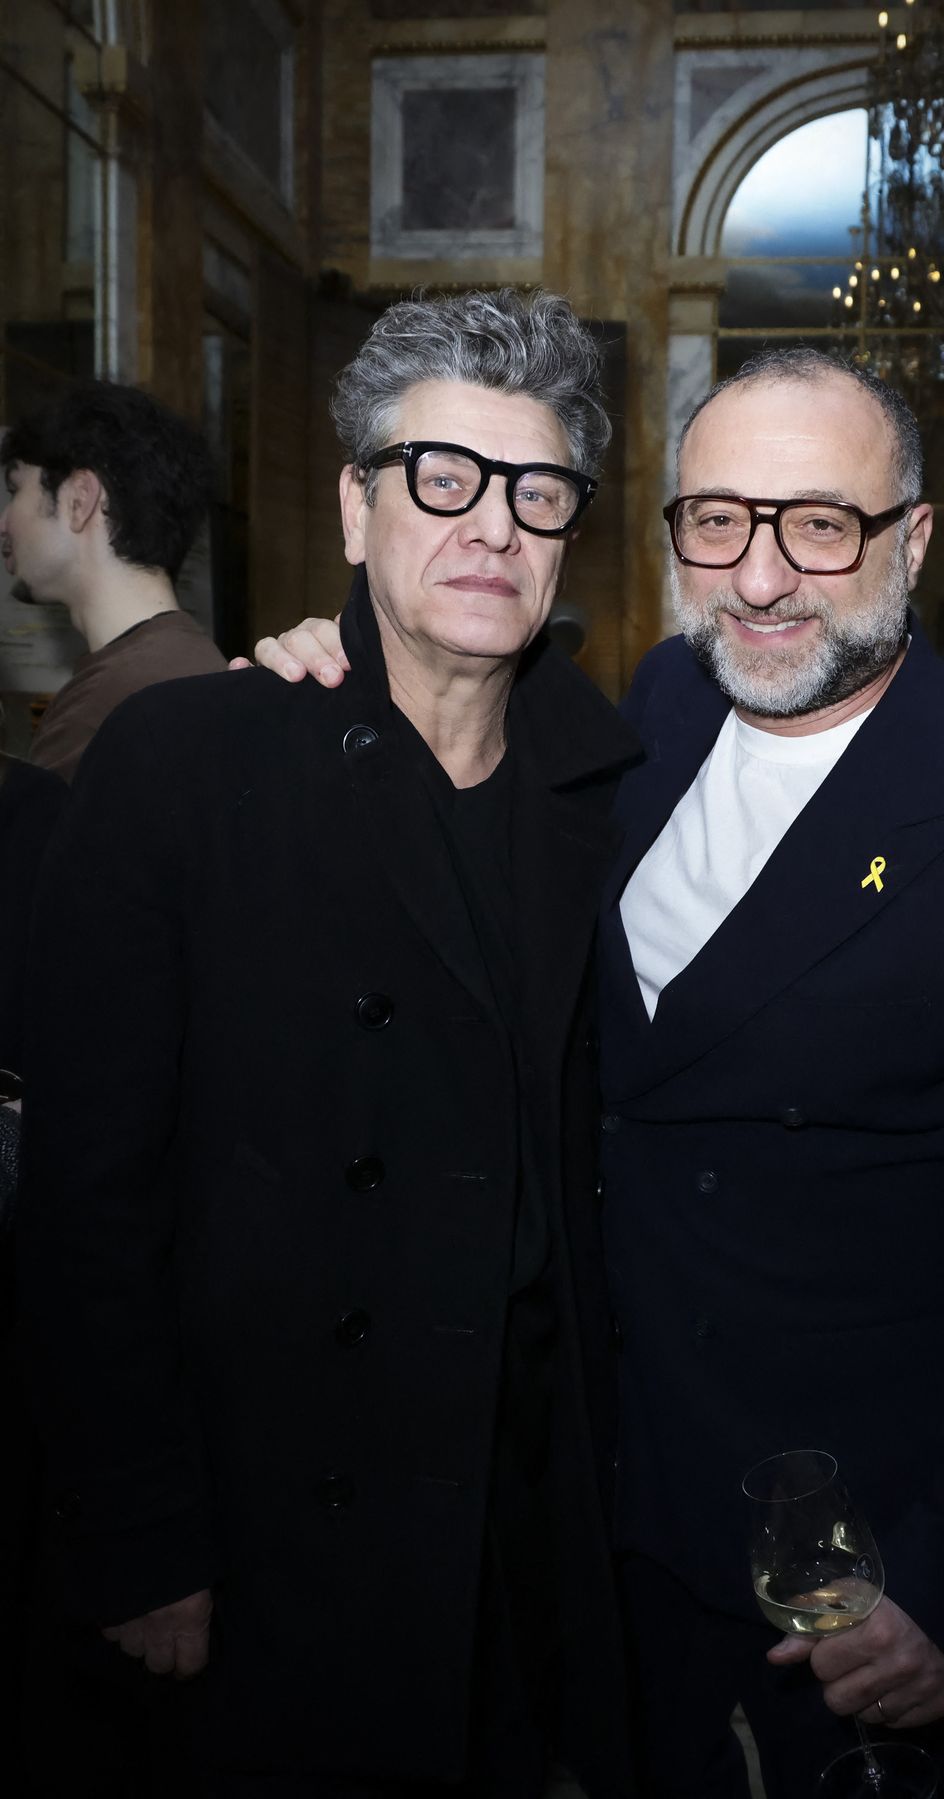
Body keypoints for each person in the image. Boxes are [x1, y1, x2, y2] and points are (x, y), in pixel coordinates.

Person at [252, 348, 944, 1799]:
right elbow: (450, 731)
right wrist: (331, 664)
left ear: (911, 538)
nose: (761, 576)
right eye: (716, 519)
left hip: (838, 1555)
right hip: (608, 1490)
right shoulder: (661, 701)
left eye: (819, 522)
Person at [17, 290, 639, 1797]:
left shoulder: (614, 783)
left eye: (536, 489)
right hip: (268, 1515)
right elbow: (88, 1194)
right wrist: (137, 1531)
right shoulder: (193, 762)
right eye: (443, 476)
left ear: (569, 533)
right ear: (358, 511)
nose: (492, 523)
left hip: (518, 1509)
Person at [0, 380, 225, 781]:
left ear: (79, 499)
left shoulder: (109, 706)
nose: (4, 523)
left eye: (15, 489)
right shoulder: (186, 661)